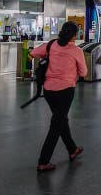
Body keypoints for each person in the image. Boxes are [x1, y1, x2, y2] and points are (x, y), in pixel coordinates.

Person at [30, 21, 87, 172]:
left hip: (48, 90)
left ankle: (72, 149)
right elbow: (83, 73)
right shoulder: (76, 51)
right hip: (66, 90)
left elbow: (33, 53)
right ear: (75, 35)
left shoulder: (51, 45)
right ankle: (44, 161)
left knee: (61, 119)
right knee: (56, 124)